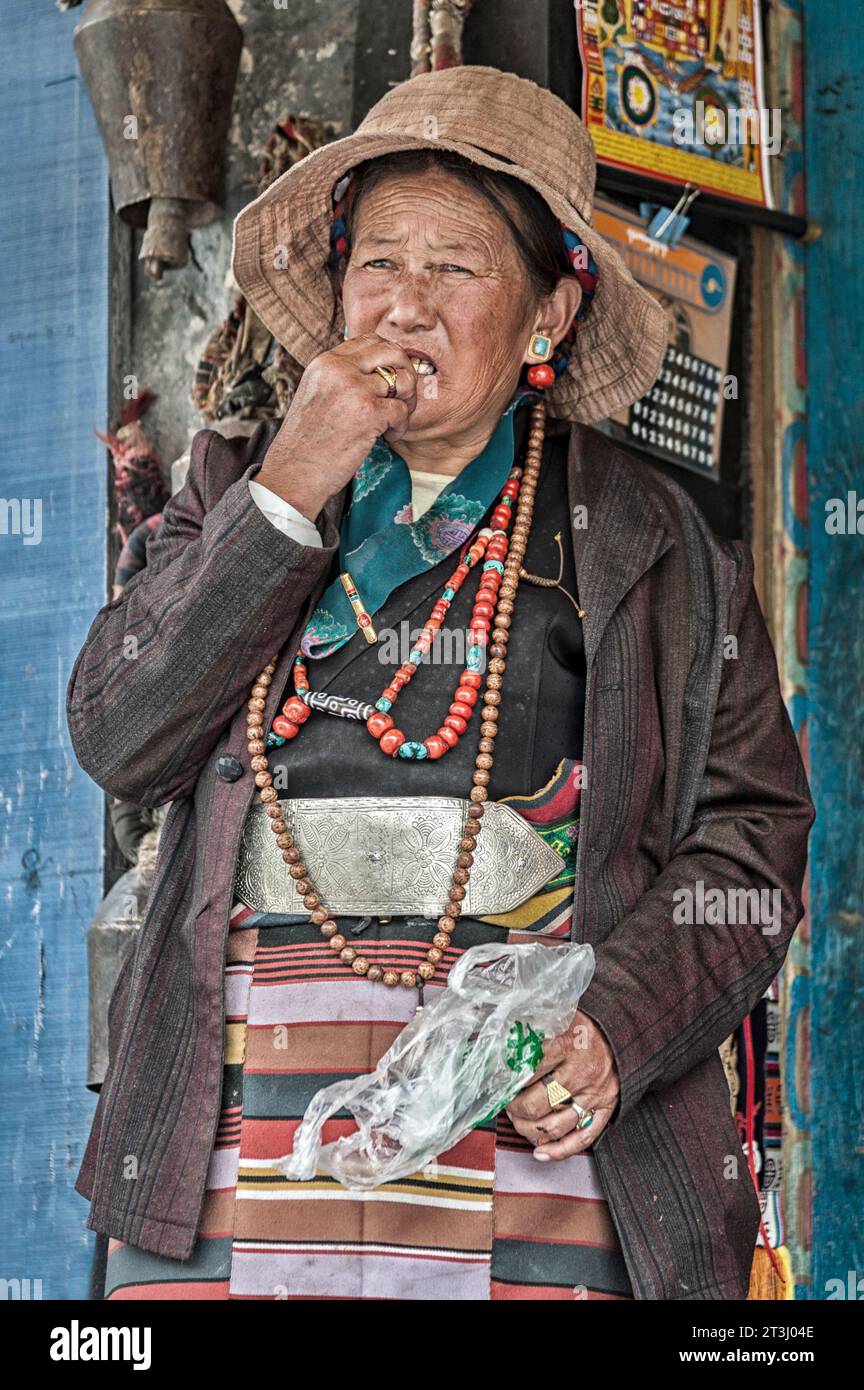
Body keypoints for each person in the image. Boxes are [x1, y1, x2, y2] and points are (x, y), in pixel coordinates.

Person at [68, 66, 815, 1300]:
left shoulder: (648, 538)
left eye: (455, 269)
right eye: (379, 264)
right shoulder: (233, 487)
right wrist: (287, 484)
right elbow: (118, 738)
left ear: (547, 319)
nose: (405, 307)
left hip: (522, 1129)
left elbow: (752, 840)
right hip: (236, 1122)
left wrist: (614, 1031)